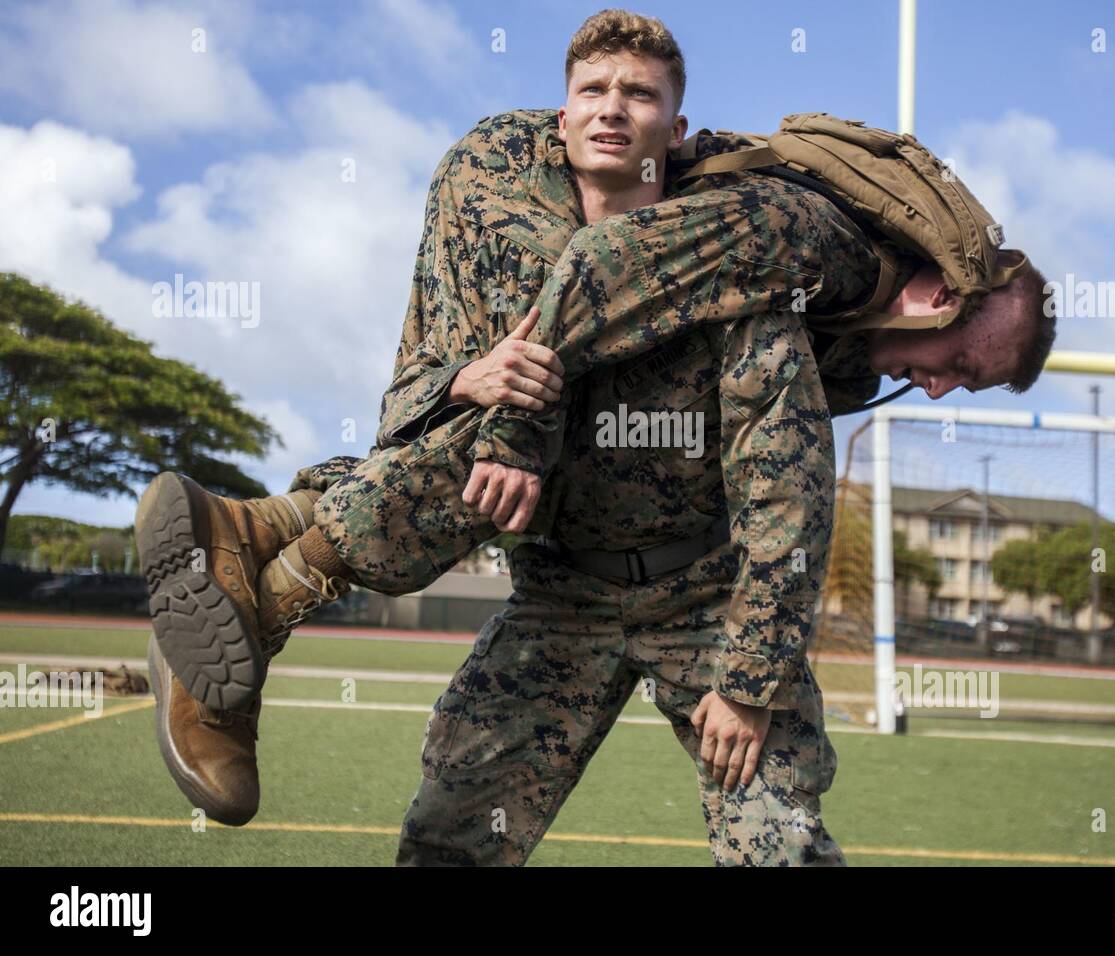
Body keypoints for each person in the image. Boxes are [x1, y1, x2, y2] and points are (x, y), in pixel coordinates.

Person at [137, 9, 1054, 861]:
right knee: (455, 835)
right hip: (564, 581)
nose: (939, 391)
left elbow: (786, 494)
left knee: (779, 842)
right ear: (943, 295)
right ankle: (261, 592)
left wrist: (747, 679)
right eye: (962, 367)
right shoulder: (792, 244)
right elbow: (588, 273)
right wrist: (505, 428)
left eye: (640, 96)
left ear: (677, 128)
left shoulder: (832, 341)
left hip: (701, 592)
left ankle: (263, 542)